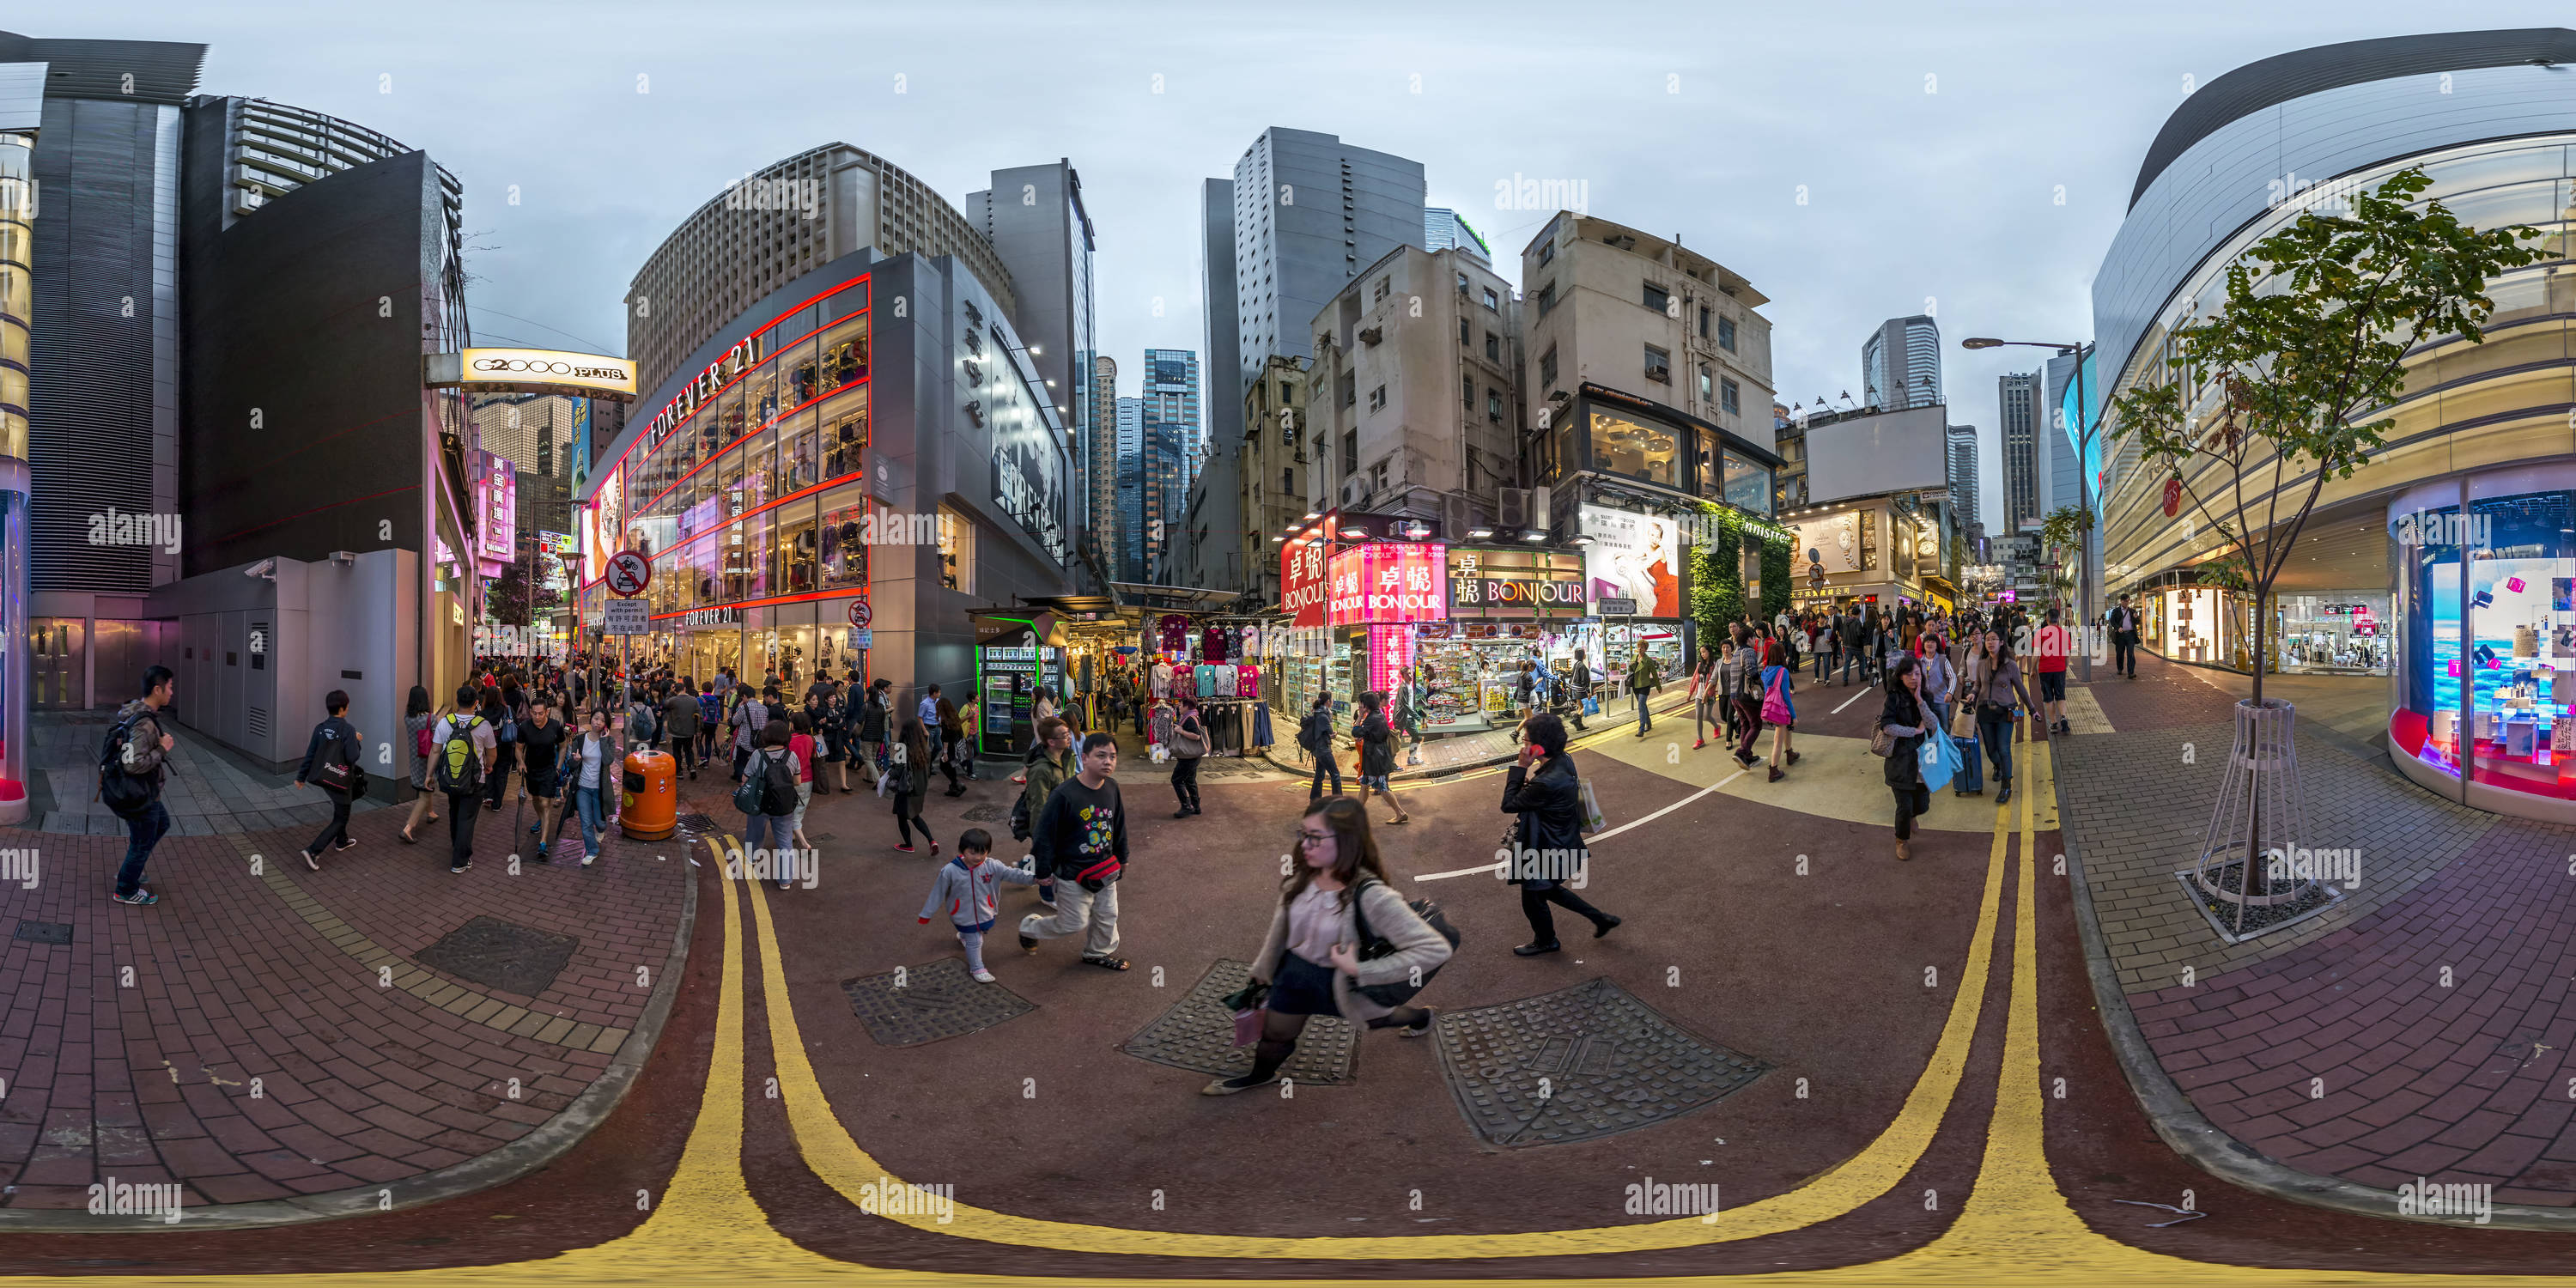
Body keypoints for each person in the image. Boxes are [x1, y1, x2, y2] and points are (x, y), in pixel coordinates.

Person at [1201, 797, 1448, 1095]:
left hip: (1344, 983)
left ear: (1346, 841)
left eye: (1315, 838)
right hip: (1295, 973)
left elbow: (1435, 949)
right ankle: (1261, 1075)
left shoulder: (1372, 895)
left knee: (1386, 1017)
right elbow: (1283, 922)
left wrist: (1363, 969)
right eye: (1303, 834)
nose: (1305, 845)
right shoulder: (1303, 876)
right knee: (1276, 1033)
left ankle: (1423, 1016)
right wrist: (1265, 965)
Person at [1499, 712, 1619, 955]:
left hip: (1545, 847)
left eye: (1526, 741)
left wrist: (1521, 767)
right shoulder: (1563, 760)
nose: (1523, 744)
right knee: (1547, 889)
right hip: (1561, 841)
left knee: (1533, 897)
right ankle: (1600, 919)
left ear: (1539, 746)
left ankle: (1547, 941)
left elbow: (1508, 804)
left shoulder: (1545, 781)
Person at [1018, 731, 1129, 971]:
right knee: (1072, 923)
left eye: (1112, 756)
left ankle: (1097, 952)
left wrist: (1123, 858)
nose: (1108, 761)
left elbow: (1118, 824)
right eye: (1101, 755)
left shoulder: (1112, 787)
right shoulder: (1064, 795)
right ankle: (1030, 927)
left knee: (1108, 915)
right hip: (1071, 873)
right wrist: (1043, 870)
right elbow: (1044, 835)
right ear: (1085, 757)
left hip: (1104, 868)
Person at [919, 828, 1041, 984]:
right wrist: (926, 914)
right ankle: (977, 968)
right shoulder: (950, 871)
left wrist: (1034, 878)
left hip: (986, 911)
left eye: (983, 853)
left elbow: (1013, 874)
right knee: (976, 940)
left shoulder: (993, 866)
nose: (978, 857)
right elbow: (938, 892)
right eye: (973, 853)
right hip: (963, 914)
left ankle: (963, 936)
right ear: (962, 850)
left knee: (976, 931)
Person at [289, 689, 364, 872]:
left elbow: (310, 754)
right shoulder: (348, 730)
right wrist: (357, 740)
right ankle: (313, 850)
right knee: (341, 818)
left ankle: (342, 841)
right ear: (342, 708)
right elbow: (352, 756)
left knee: (340, 810)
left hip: (325, 777)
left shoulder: (320, 728)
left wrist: (301, 778)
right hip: (340, 779)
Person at [429, 683, 497, 874]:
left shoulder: (445, 722)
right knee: (467, 818)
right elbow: (492, 753)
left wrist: (429, 775)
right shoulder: (483, 725)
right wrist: (489, 765)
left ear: (457, 700)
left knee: (454, 812)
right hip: (475, 779)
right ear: (477, 703)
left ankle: (456, 845)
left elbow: (435, 750)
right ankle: (460, 860)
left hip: (450, 777)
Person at [1965, 629, 2036, 806]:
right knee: (1990, 749)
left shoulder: (2010, 664)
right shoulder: (1982, 664)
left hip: (2006, 711)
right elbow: (1977, 685)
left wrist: (2032, 709)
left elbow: (2020, 688)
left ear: (2001, 642)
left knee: (2004, 749)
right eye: (1988, 639)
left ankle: (2006, 786)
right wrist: (1973, 694)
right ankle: (1998, 765)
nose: (1990, 642)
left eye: (1994, 639)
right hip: (1985, 711)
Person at [1879, 657, 1935, 862]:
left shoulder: (1926, 696)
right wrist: (1914, 731)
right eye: (1909, 674)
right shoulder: (1893, 697)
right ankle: (1901, 840)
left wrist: (1920, 701)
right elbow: (1887, 726)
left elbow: (1933, 723)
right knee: (1904, 805)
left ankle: (1913, 817)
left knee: (1922, 804)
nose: (1914, 678)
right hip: (1900, 760)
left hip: (1923, 759)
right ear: (1900, 677)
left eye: (1917, 673)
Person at [1018, 717, 1078, 909]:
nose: (1069, 738)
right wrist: (1040, 834)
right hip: (1049, 823)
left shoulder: (1067, 756)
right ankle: (1047, 895)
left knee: (1044, 855)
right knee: (1048, 858)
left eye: (1068, 733)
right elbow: (1038, 805)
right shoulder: (1041, 770)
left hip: (1062, 820)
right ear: (1051, 741)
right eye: (1064, 735)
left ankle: (1022, 869)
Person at [740, 719, 801, 890]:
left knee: (755, 832)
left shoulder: (758, 755)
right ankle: (785, 880)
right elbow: (797, 781)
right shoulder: (792, 755)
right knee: (785, 842)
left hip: (760, 803)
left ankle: (751, 860)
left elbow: (745, 778)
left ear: (766, 736)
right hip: (785, 804)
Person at [561, 708, 619, 866]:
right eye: (596, 718)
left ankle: (601, 829)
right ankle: (592, 851)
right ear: (591, 719)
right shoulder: (580, 739)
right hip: (583, 787)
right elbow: (571, 765)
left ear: (606, 724)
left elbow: (607, 761)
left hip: (600, 789)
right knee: (586, 822)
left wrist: (603, 741)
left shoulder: (609, 741)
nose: (598, 722)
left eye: (602, 720)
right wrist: (576, 760)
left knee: (599, 822)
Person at [516, 695, 568, 859]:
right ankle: (541, 819)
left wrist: (559, 767)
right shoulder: (524, 727)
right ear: (530, 712)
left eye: (541, 713)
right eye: (534, 713)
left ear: (546, 712)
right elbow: (518, 749)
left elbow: (563, 746)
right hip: (531, 770)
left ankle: (543, 843)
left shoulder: (555, 726)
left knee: (546, 803)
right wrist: (521, 762)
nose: (537, 717)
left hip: (549, 770)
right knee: (536, 799)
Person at [1351, 691, 1409, 824]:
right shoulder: (1378, 715)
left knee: (1383, 788)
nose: (1359, 706)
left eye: (1361, 704)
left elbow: (1355, 731)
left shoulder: (1372, 719)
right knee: (1364, 785)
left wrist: (1360, 716)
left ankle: (1400, 813)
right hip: (1375, 757)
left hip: (1375, 759)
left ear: (1365, 705)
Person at [399, 684, 441, 844]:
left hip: (414, 758)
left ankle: (431, 813)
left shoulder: (407, 717)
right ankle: (408, 828)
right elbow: (438, 740)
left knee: (425, 789)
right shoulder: (431, 718)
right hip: (428, 759)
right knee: (424, 794)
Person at [890, 717, 938, 855]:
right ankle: (932, 841)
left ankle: (908, 845)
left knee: (901, 816)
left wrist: (889, 773)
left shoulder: (902, 748)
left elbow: (898, 771)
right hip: (920, 787)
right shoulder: (924, 747)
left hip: (906, 788)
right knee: (915, 816)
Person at [1760, 632, 1801, 782]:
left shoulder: (1765, 671)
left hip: (1770, 707)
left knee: (1787, 729)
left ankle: (1790, 753)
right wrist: (1794, 715)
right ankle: (1774, 770)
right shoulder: (1782, 671)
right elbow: (1785, 696)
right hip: (1781, 708)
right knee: (1778, 739)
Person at [1726, 624, 1767, 770]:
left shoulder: (1736, 653)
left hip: (1734, 695)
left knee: (1745, 724)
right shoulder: (1749, 651)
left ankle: (1747, 756)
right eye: (1753, 637)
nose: (1755, 640)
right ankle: (1742, 752)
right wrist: (1760, 677)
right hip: (1746, 695)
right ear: (1749, 639)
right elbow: (1751, 672)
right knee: (1756, 725)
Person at [1168, 695, 1207, 818]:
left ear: (1186, 706)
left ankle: (1186, 806)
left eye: (1181, 704)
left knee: (1177, 779)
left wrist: (1181, 731)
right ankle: (1196, 806)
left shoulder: (1189, 718)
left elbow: (1196, 736)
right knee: (1190, 780)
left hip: (1189, 758)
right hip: (1192, 756)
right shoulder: (1192, 715)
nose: (1179, 707)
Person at [2033, 606, 2071, 734]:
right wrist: (2065, 667)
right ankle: (2064, 718)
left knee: (2048, 697)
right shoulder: (2065, 634)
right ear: (2058, 619)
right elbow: (2067, 654)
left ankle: (2054, 724)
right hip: (2059, 669)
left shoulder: (2040, 633)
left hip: (2044, 670)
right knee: (2061, 695)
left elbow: (2036, 654)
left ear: (2047, 619)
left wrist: (2033, 669)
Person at [1297, 693, 1341, 799]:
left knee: (1319, 775)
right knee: (1335, 775)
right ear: (1328, 702)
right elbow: (1331, 734)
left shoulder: (1316, 712)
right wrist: (1334, 734)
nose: (1332, 702)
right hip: (1323, 750)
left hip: (1317, 749)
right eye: (1332, 700)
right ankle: (1338, 801)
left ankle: (1315, 799)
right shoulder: (1323, 716)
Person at [787, 711, 819, 850]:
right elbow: (813, 756)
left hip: (792, 779)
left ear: (793, 724)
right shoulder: (810, 739)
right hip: (808, 779)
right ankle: (792, 834)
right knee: (799, 810)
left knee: (791, 811)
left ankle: (804, 843)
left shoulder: (788, 740)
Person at [663, 680, 702, 780]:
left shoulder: (673, 700)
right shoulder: (694, 700)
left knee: (677, 751)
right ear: (685, 689)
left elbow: (665, 704)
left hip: (676, 731)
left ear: (675, 690)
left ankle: (679, 771)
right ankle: (691, 766)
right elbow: (700, 716)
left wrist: (670, 693)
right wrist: (698, 730)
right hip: (689, 731)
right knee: (689, 750)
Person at [729, 683, 768, 782]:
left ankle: (743, 784)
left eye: (742, 697)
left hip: (745, 742)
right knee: (755, 765)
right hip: (759, 742)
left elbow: (734, 721)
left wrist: (738, 708)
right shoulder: (764, 708)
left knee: (741, 764)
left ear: (745, 696)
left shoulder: (743, 708)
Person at [1692, 643, 1726, 750]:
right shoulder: (1699, 665)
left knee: (1707, 716)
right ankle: (1700, 739)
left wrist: (1708, 693)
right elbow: (1694, 679)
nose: (1702, 654)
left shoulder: (1715, 665)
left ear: (1709, 652)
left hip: (1709, 695)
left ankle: (1717, 727)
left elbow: (1714, 681)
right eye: (1701, 652)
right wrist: (1690, 693)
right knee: (1698, 717)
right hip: (1699, 694)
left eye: (1704, 652)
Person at [934, 693, 967, 796]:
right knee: (951, 766)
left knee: (944, 765)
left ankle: (956, 784)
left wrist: (945, 753)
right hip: (957, 746)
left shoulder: (945, 722)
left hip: (950, 748)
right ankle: (954, 786)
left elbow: (945, 739)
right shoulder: (954, 717)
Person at [858, 678, 891, 776]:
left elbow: (860, 720)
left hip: (867, 736)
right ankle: (869, 778)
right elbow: (882, 722)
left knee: (867, 759)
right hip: (878, 736)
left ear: (868, 695)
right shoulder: (881, 707)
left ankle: (878, 781)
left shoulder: (866, 706)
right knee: (872, 757)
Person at [1628, 650, 1660, 737]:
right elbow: (1630, 670)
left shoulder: (1648, 660)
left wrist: (1658, 686)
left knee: (1641, 706)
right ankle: (1648, 723)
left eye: (1642, 647)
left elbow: (1654, 673)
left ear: (1645, 649)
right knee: (1643, 705)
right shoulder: (1634, 657)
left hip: (1645, 686)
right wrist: (1630, 666)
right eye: (1639, 647)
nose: (1640, 649)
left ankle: (1641, 729)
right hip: (1635, 685)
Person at [2109, 593, 2141, 679]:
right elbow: (2112, 621)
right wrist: (2117, 627)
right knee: (2120, 653)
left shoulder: (2132, 611)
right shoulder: (2116, 611)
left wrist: (2136, 617)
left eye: (2128, 601)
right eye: (2125, 601)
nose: (2127, 603)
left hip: (2130, 634)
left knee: (2130, 653)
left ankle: (2131, 672)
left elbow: (2138, 621)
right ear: (2121, 601)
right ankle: (2120, 668)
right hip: (2120, 635)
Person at [1568, 647, 1593, 731]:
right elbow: (1584, 680)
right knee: (1586, 707)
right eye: (1584, 653)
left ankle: (1579, 726)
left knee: (1580, 706)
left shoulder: (1576, 664)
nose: (1585, 655)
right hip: (1580, 689)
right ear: (1582, 655)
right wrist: (1588, 691)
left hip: (1574, 689)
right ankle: (1576, 719)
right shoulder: (1582, 666)